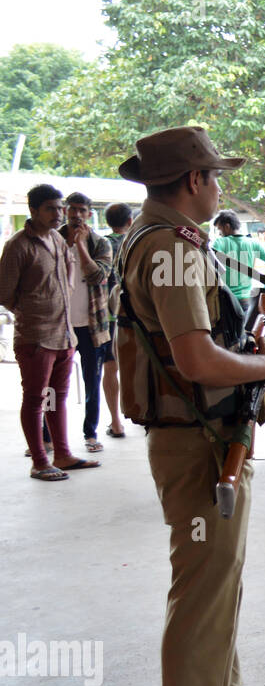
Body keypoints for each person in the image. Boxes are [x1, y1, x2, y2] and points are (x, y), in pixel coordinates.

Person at [115, 126, 265, 686]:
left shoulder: (160, 240)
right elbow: (194, 359)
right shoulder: (168, 249)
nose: (220, 185)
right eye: (214, 175)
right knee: (199, 598)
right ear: (193, 181)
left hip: (204, 434)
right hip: (196, 441)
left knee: (220, 582)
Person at [0, 184, 100, 480]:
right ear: (33, 211)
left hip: (64, 336)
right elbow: (5, 293)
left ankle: (63, 454)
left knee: (56, 397)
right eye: (52, 209)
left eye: (60, 208)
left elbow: (70, 277)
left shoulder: (57, 239)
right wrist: (34, 310)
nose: (60, 214)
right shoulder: (18, 246)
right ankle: (40, 461)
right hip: (36, 338)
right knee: (35, 399)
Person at [60, 192, 115, 454]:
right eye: (72, 210)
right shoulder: (53, 240)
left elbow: (98, 277)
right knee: (53, 385)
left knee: (93, 383)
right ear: (64, 212)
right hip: (59, 325)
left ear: (89, 214)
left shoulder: (100, 243)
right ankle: (48, 437)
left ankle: (90, 434)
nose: (76, 215)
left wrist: (81, 246)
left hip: (92, 327)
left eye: (82, 210)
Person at [101, 202, 134, 439]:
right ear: (130, 221)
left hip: (111, 314)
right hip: (139, 314)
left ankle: (116, 422)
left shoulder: (103, 244)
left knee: (111, 368)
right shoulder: (137, 242)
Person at [211, 210, 265, 314]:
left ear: (227, 226)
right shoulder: (253, 243)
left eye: (220, 230)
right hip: (246, 299)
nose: (220, 234)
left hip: (226, 299)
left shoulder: (220, 242)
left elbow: (211, 263)